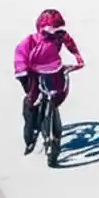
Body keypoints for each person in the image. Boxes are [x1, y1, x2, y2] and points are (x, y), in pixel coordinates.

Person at [13, 9, 84, 154]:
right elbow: (20, 54)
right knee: (31, 102)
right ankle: (30, 134)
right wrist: (22, 72)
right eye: (50, 29)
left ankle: (51, 122)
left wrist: (78, 58)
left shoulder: (60, 36)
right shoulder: (31, 40)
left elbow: (70, 44)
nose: (53, 32)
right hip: (33, 71)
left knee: (56, 93)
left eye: (57, 29)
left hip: (53, 70)